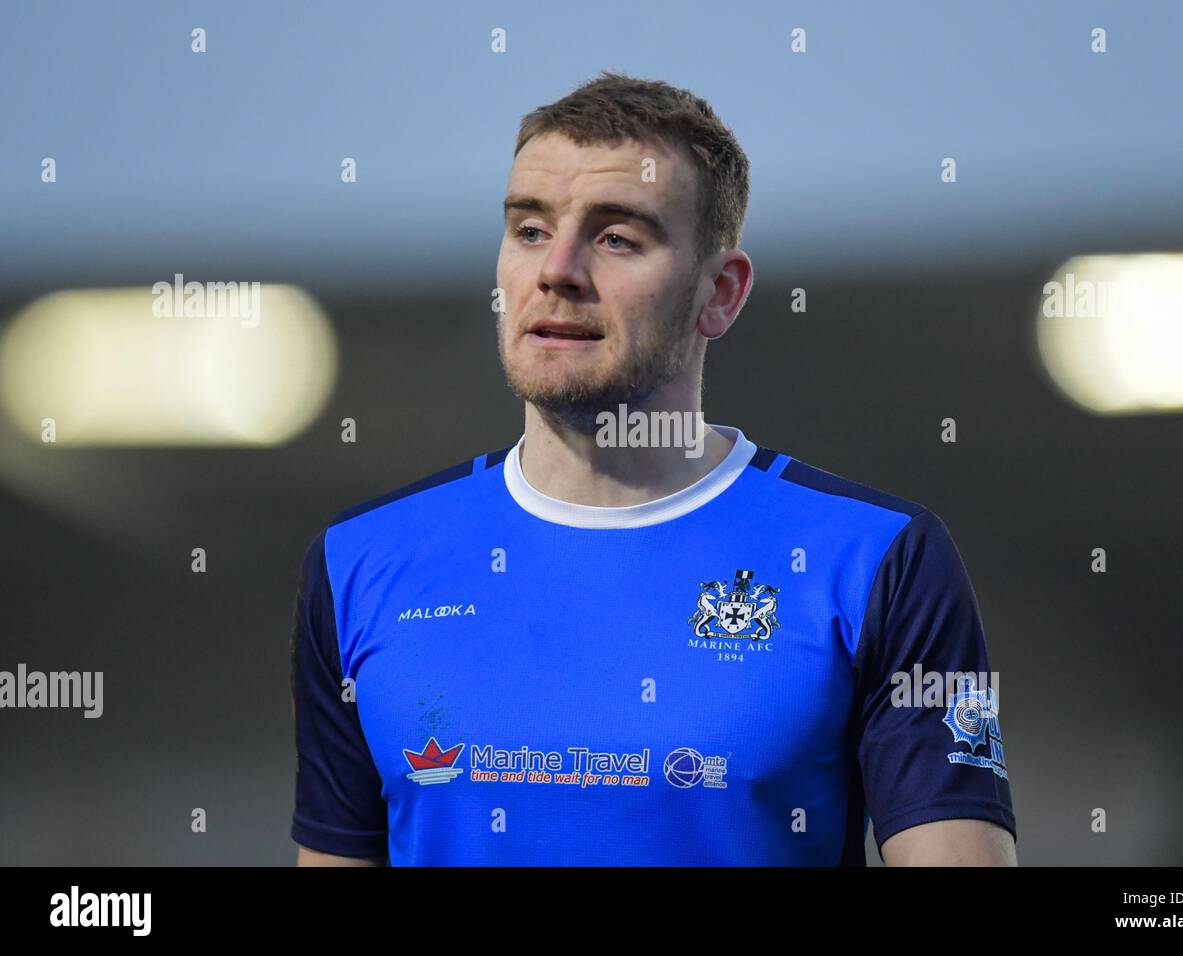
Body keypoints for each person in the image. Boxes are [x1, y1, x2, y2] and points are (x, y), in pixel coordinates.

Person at [291, 71, 1016, 866]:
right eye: (530, 230)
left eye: (616, 238)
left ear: (722, 293)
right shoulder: (360, 564)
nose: (557, 270)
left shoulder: (878, 560)